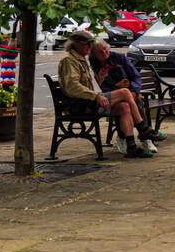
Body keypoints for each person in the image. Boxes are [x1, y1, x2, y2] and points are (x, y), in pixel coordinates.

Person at [60, 30, 161, 158]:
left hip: (90, 102)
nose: (89, 47)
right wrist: (96, 96)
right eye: (87, 44)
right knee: (125, 93)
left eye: (90, 44)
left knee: (125, 106)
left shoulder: (82, 59)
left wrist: (100, 79)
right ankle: (143, 129)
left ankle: (131, 146)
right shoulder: (70, 60)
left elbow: (89, 85)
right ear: (76, 44)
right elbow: (72, 86)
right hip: (80, 105)